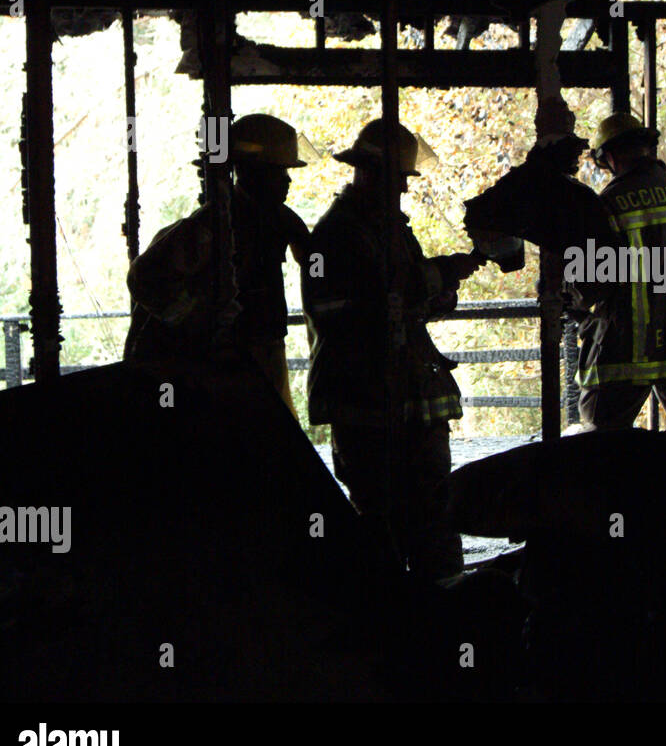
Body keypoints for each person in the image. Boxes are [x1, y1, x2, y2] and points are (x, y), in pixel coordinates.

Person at [302, 119, 485, 582]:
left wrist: (438, 291)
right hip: (366, 401)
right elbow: (368, 304)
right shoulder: (336, 235)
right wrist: (442, 275)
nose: (403, 188)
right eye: (398, 178)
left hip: (406, 401)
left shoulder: (386, 228)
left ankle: (436, 619)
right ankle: (394, 629)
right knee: (381, 524)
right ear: (368, 173)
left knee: (431, 516)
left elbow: (405, 296)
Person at [124, 113, 311, 413]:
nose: (288, 180)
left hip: (260, 357)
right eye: (279, 172)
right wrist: (196, 318)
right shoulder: (213, 226)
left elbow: (316, 264)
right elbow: (143, 278)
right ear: (252, 173)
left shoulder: (279, 221)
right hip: (219, 367)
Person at [567, 111, 666, 430]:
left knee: (601, 447)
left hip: (624, 350)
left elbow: (587, 285)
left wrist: (569, 294)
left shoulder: (606, 205)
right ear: (646, 148)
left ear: (608, 157)